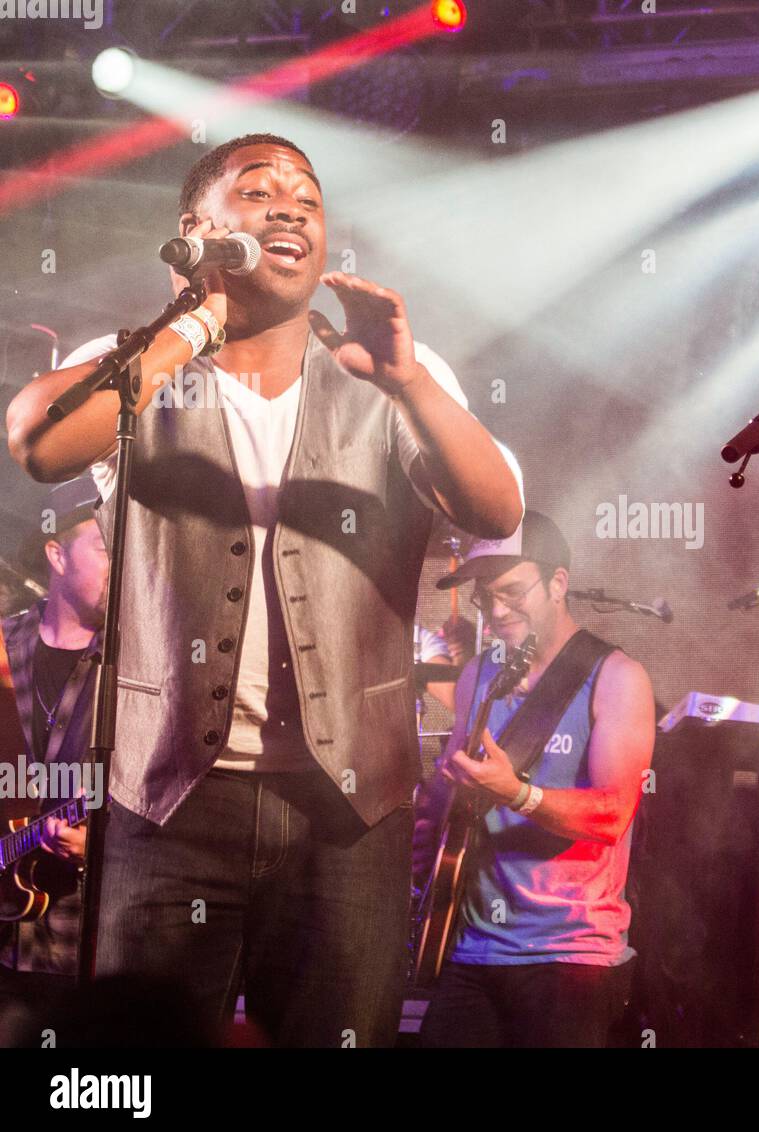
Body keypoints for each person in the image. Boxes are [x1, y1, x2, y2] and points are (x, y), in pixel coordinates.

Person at [5, 133, 524, 1046]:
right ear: (197, 229)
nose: (290, 207)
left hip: (348, 811)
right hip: (167, 799)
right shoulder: (140, 363)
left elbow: (496, 509)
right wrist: (196, 323)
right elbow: (40, 442)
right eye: (258, 191)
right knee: (130, 1074)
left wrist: (407, 384)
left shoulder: (392, 371)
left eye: (309, 198)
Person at [414, 511, 655, 1047]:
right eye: (485, 596)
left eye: (514, 592)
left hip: (570, 951)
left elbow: (614, 813)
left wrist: (517, 793)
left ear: (558, 584)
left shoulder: (616, 677)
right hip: (472, 945)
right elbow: (449, 789)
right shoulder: (480, 672)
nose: (496, 610)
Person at [0, 476, 106, 990]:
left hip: (85, 943)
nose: (124, 564)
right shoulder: (3, 644)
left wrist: (108, 847)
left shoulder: (139, 663)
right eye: (106, 547)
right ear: (57, 556)